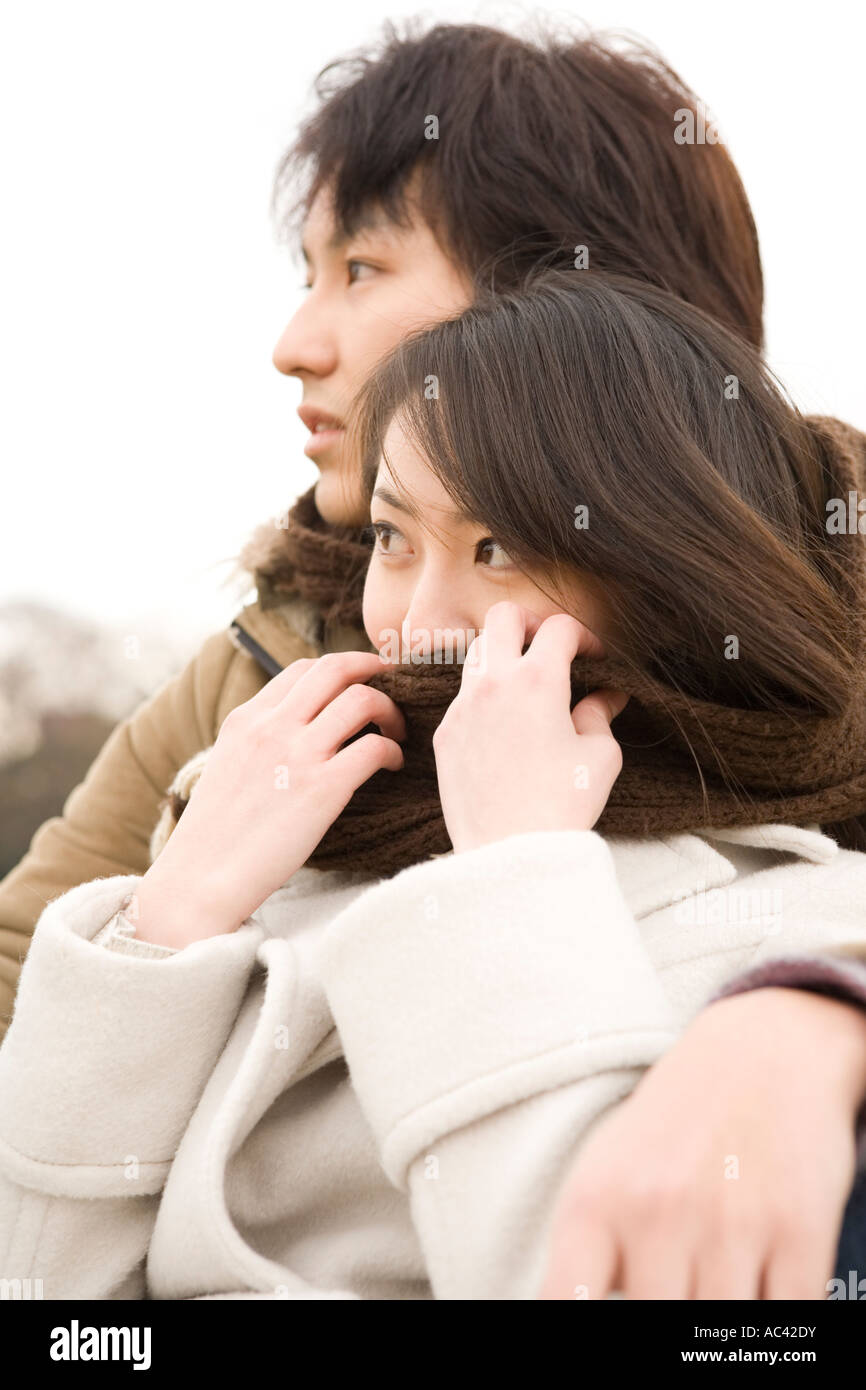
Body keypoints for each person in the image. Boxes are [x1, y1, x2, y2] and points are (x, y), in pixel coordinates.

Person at [2, 270, 866, 1300]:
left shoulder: (796, 935)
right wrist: (169, 919)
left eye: (495, 548)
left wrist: (511, 871)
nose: (419, 622)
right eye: (391, 538)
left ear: (670, 587)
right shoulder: (287, 837)